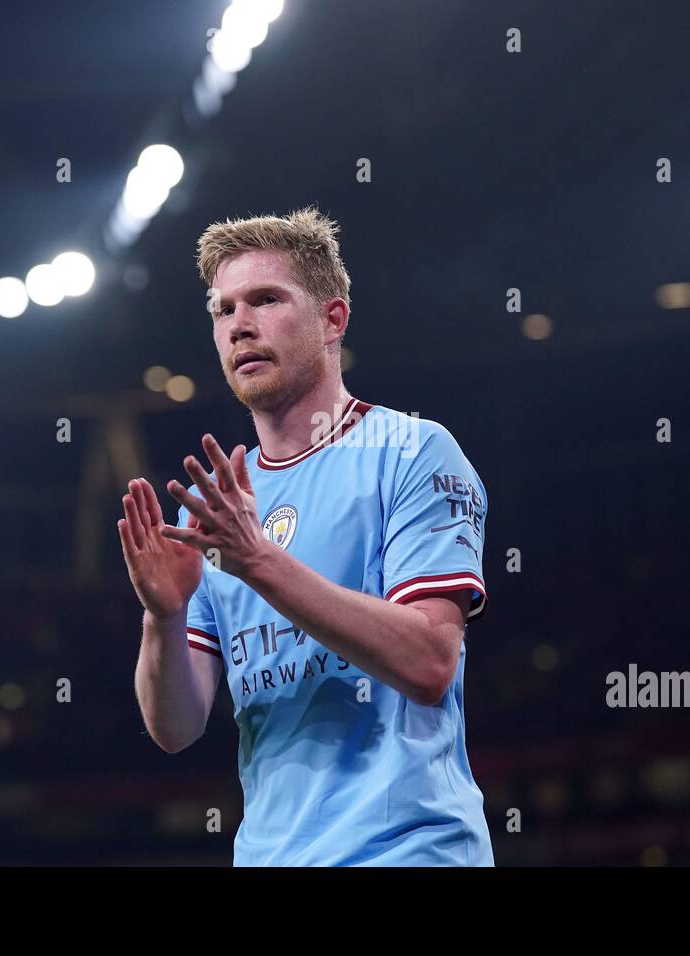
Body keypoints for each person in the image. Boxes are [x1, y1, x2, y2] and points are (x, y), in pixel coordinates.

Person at [118, 207, 492, 865]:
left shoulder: (411, 451)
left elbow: (431, 662)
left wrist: (259, 559)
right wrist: (162, 617)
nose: (240, 324)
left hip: (406, 852)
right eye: (222, 309)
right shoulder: (214, 512)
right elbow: (176, 728)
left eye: (265, 299)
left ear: (333, 320)